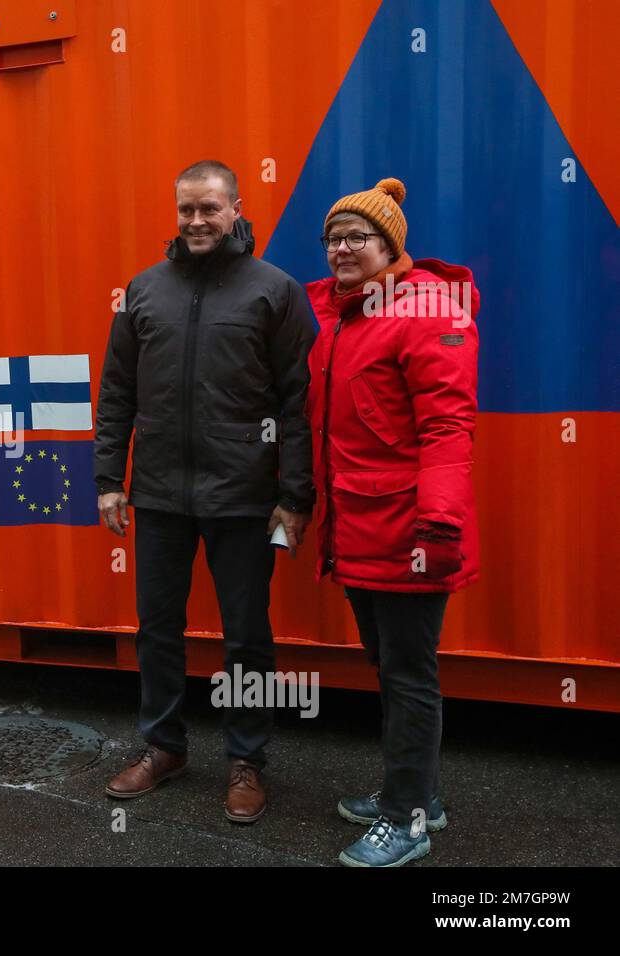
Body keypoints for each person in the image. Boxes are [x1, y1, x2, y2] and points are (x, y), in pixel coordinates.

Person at [94, 160, 315, 822]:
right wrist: (110, 479)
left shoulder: (274, 290)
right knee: (158, 628)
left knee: (247, 636)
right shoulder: (144, 290)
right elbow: (117, 393)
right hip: (159, 495)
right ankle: (164, 747)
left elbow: (299, 403)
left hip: (245, 498)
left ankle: (247, 760)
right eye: (186, 209)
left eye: (209, 209)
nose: (196, 221)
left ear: (237, 209)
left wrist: (295, 497)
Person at [304, 178, 479, 866]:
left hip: (409, 531)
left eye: (359, 237)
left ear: (391, 246)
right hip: (357, 524)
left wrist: (438, 523)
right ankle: (418, 794)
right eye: (335, 238)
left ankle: (406, 822)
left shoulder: (428, 311)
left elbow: (447, 425)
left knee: (409, 674)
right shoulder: (346, 315)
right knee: (390, 663)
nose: (343, 249)